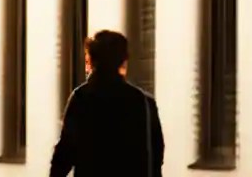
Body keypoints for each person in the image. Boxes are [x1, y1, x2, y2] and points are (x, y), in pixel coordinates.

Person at [49, 31, 165, 177]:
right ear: (123, 59)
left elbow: (65, 152)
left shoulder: (82, 99)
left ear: (90, 60)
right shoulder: (143, 102)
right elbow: (156, 156)